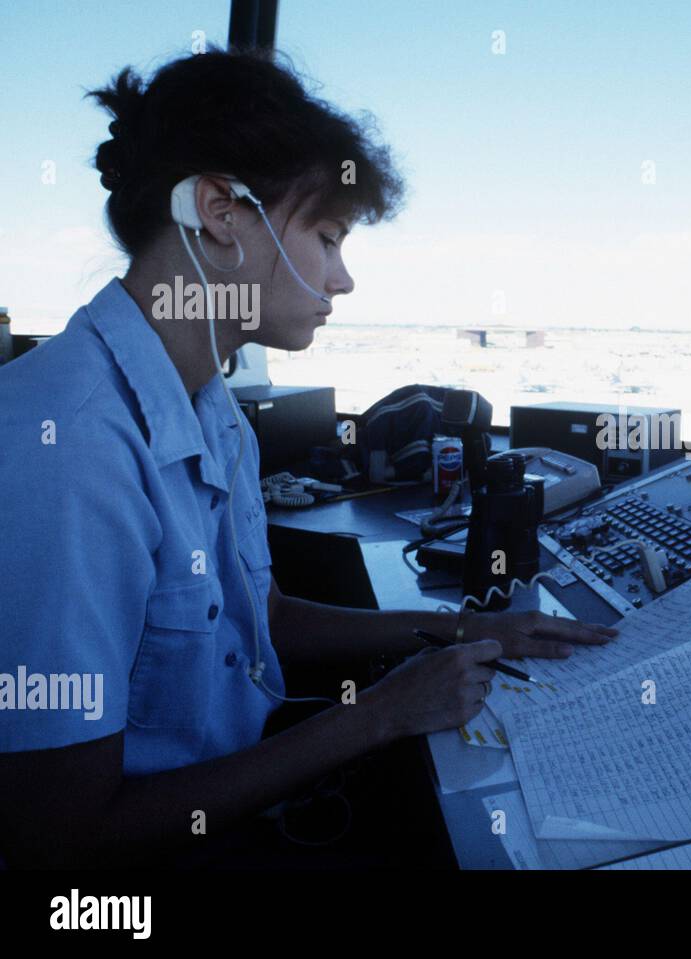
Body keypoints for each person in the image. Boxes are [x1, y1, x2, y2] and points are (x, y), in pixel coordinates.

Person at [0, 47, 615, 868]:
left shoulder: (207, 406)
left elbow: (265, 620)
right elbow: (58, 837)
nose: (343, 277)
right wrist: (379, 714)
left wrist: (466, 627)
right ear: (221, 212)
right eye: (328, 235)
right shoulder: (70, 449)